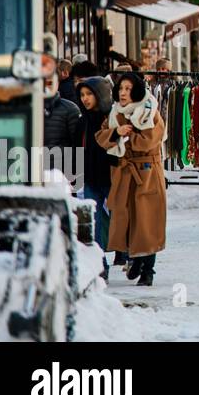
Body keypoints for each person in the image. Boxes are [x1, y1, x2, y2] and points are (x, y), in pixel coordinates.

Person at [95, 72, 166, 287]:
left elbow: (150, 140)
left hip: (147, 173)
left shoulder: (149, 111)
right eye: (121, 88)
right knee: (126, 221)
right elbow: (102, 136)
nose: (123, 93)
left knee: (147, 223)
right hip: (124, 174)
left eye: (128, 89)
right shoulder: (115, 112)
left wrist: (127, 136)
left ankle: (148, 269)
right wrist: (117, 132)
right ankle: (134, 258)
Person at [77, 77, 116, 273]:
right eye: (82, 95)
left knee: (120, 219)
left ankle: (130, 257)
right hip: (91, 178)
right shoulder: (82, 121)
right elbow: (77, 149)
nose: (85, 99)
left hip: (112, 177)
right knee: (95, 224)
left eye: (89, 94)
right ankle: (101, 265)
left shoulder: (111, 117)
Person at [43, 66, 83, 185]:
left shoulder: (70, 109)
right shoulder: (27, 109)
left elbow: (77, 145)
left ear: (57, 83)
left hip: (60, 175)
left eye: (50, 83)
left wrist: (74, 176)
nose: (45, 87)